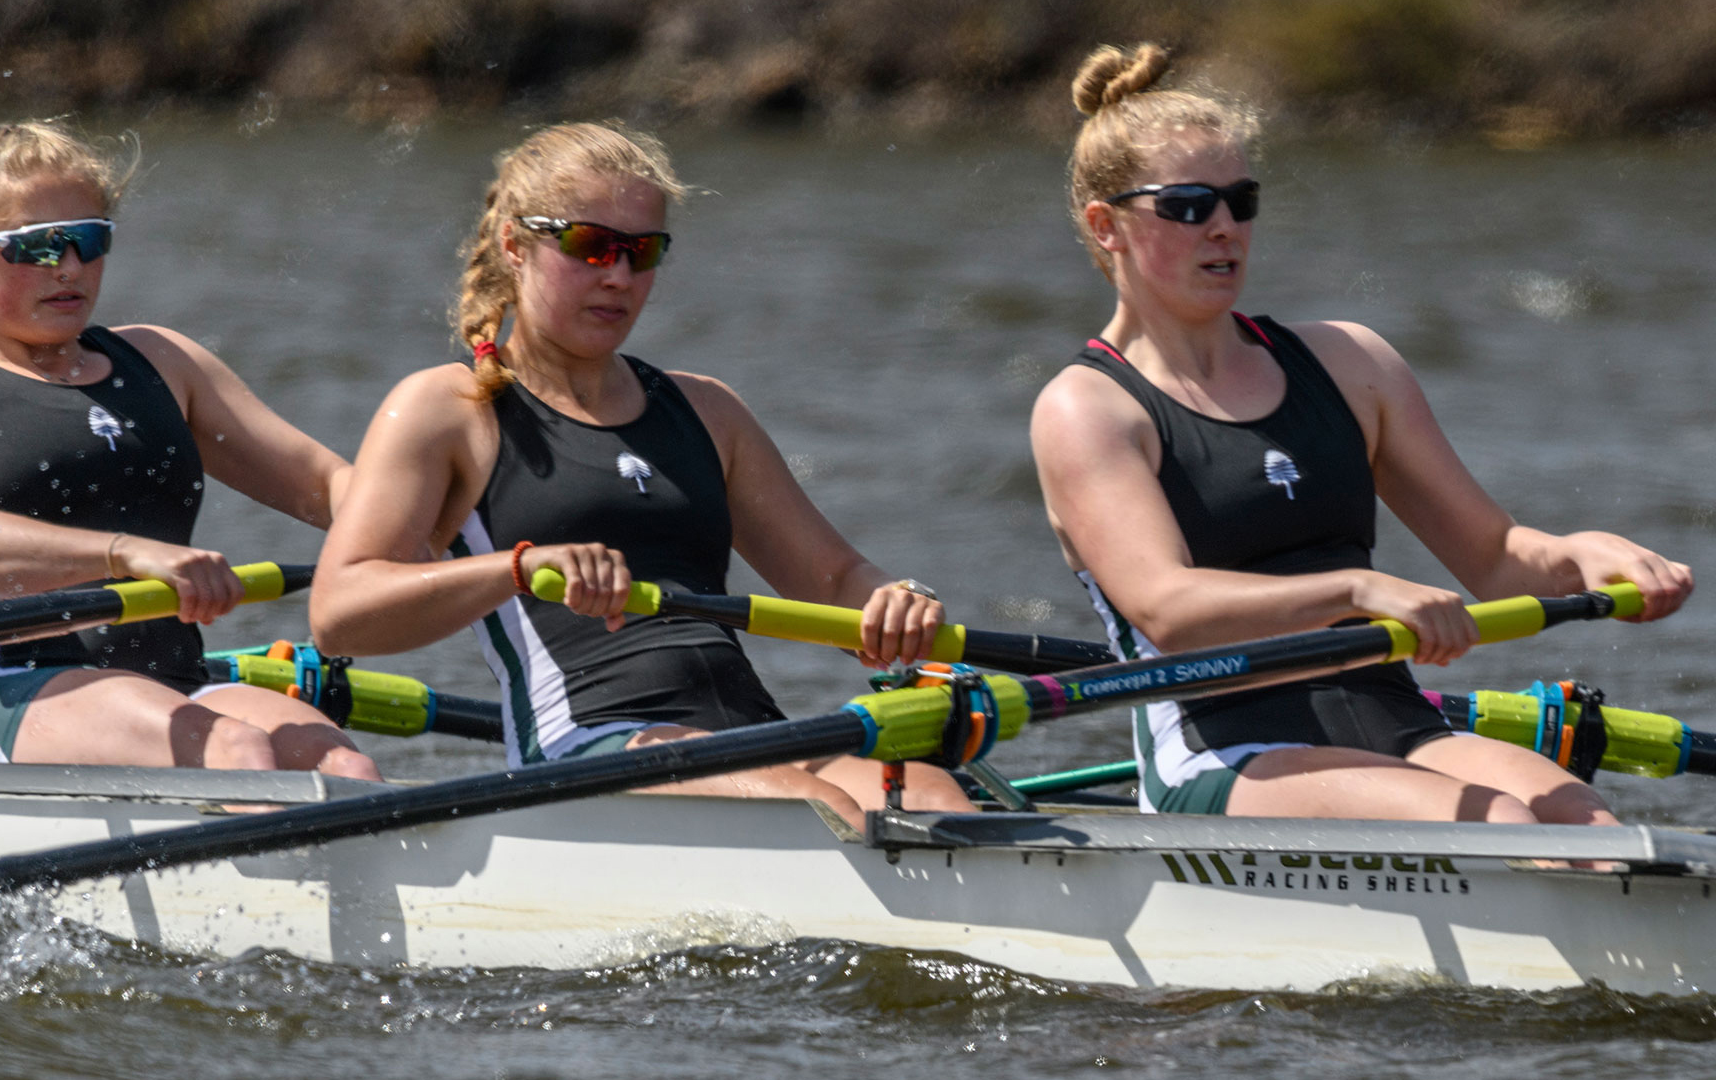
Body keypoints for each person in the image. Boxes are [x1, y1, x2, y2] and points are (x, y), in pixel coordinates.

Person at [1030, 45, 1691, 824]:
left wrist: (1584, 556)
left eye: (1241, 201)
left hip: (1391, 717)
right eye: (1187, 206)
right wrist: (1356, 590)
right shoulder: (1088, 408)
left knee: (1585, 823)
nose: (1225, 228)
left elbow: (1495, 558)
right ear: (1106, 225)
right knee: (1500, 823)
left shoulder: (1351, 364)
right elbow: (1166, 606)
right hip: (1225, 747)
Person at [310, 121, 973, 828]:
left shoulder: (709, 411)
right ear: (515, 245)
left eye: (642, 252)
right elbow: (339, 614)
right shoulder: (449, 409)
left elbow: (835, 583)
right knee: (817, 810)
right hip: (591, 746)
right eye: (591, 246)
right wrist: (522, 568)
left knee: (935, 798)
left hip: (757, 737)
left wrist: (900, 602)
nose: (619, 277)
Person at [0, 119, 380, 781]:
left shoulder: (163, 361)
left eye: (89, 240)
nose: (69, 266)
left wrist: (445, 528)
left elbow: (328, 486)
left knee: (344, 767)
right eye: (37, 246)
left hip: (175, 683)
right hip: (5, 691)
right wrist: (125, 553)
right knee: (236, 751)